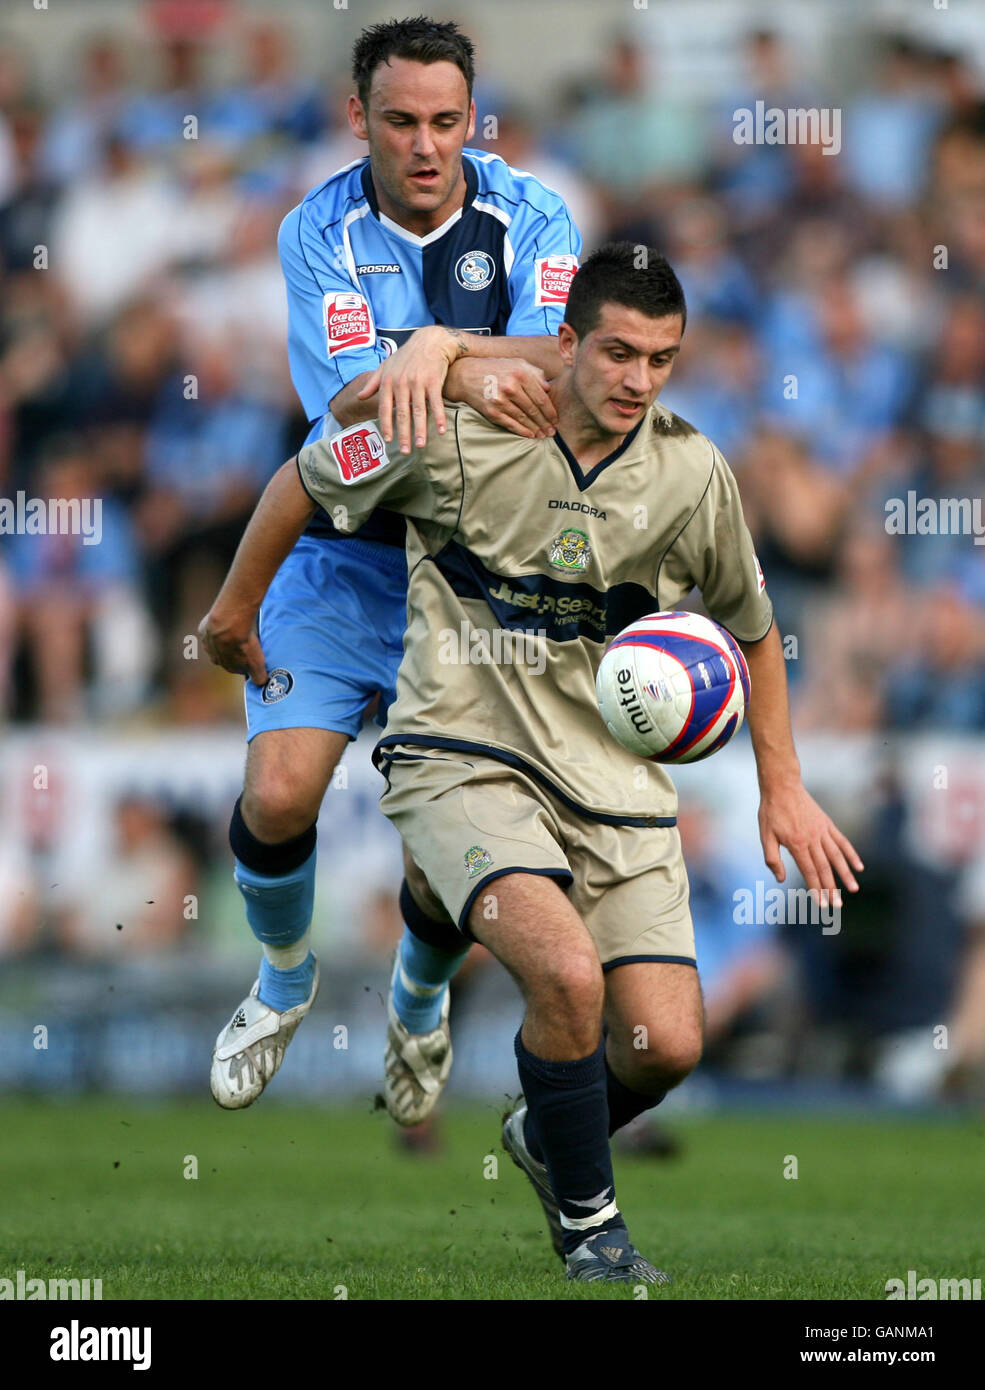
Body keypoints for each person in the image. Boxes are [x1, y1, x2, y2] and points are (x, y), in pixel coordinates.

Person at [202, 243, 863, 1282]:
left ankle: (546, 1131)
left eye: (660, 360)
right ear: (565, 342)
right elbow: (304, 476)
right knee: (562, 974)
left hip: (613, 787)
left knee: (668, 1044)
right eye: (616, 353)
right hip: (461, 759)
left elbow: (756, 627)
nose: (637, 381)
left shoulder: (691, 472)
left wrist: (783, 784)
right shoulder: (459, 431)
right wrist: (233, 611)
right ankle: (595, 1234)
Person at [203, 17, 581, 1112]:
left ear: (474, 119)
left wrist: (430, 347)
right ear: (357, 116)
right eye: (402, 121)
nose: (425, 145)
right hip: (340, 554)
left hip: (472, 577)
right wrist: (459, 362)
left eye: (447, 122)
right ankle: (283, 979)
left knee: (438, 855)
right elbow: (351, 405)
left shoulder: (533, 213)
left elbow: (564, 364)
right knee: (277, 795)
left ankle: (418, 999)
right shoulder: (313, 230)